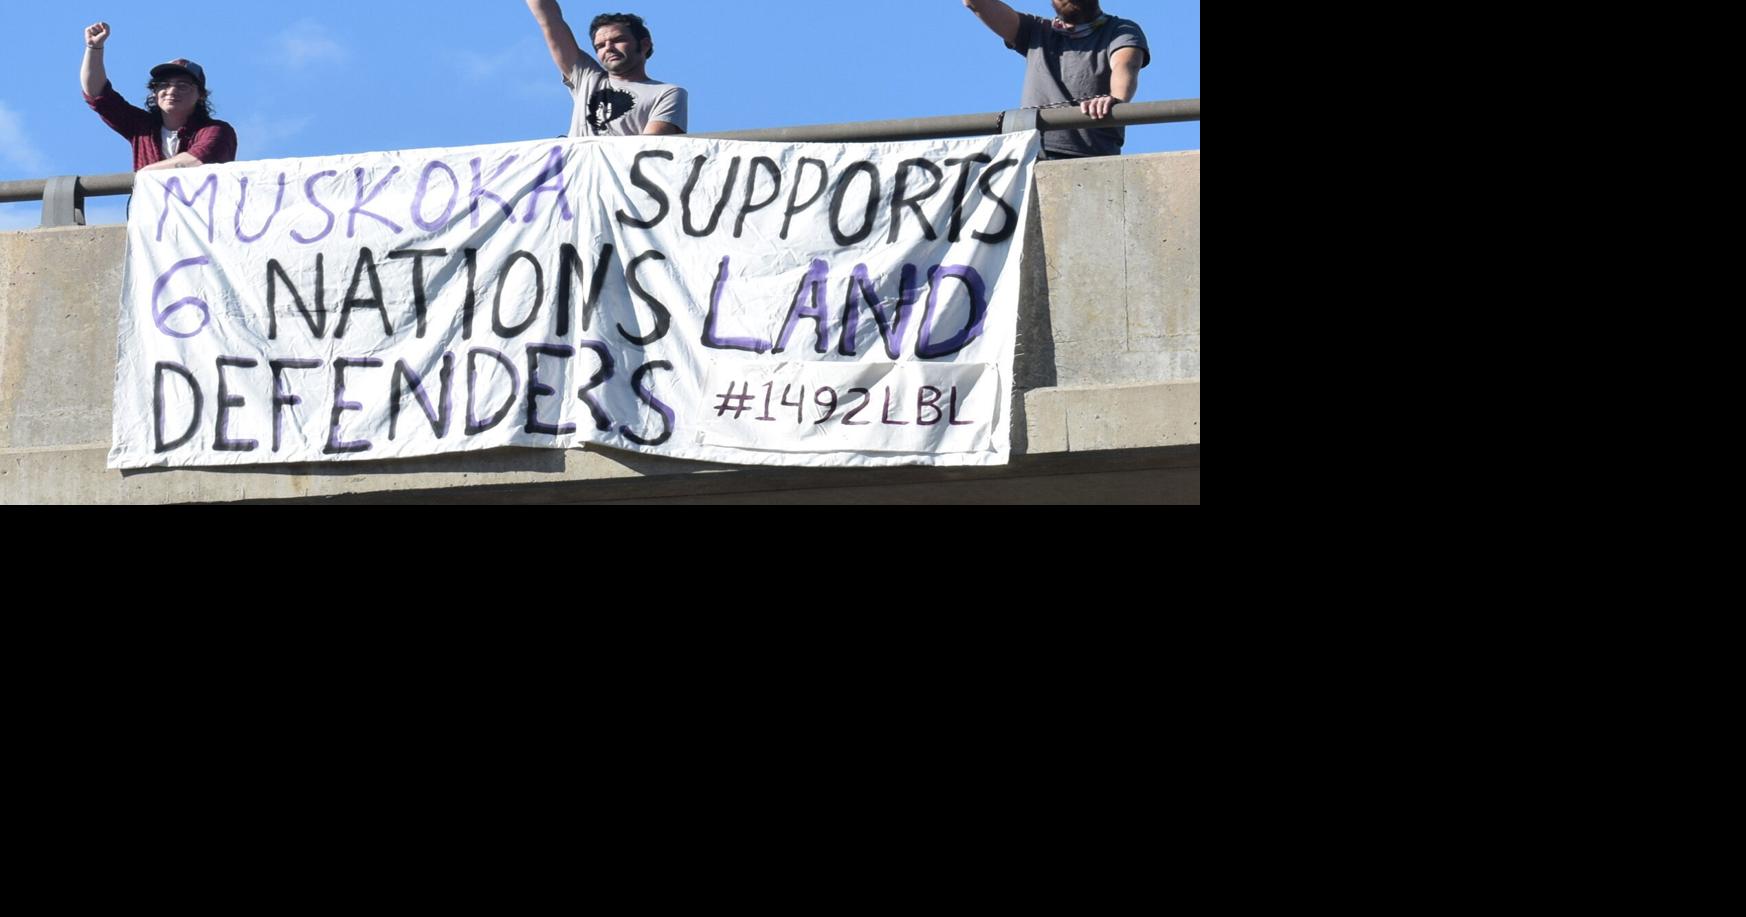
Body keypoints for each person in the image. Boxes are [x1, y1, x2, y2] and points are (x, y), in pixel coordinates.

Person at [963, 0, 1149, 160]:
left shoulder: (1120, 30)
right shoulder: (1036, 30)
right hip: (1029, 155)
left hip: (1089, 157)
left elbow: (1126, 65)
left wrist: (1115, 98)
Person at [79, 22, 237, 172]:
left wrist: (143, 175)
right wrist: (94, 48)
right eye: (163, 85)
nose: (171, 91)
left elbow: (199, 160)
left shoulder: (217, 130)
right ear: (154, 93)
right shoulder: (141, 127)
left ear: (201, 95)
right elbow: (98, 95)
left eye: (183, 86)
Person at [525, 2, 687, 137]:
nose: (608, 48)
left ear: (644, 45)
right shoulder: (587, 77)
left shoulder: (666, 93)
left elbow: (650, 150)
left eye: (618, 40)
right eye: (600, 46)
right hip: (579, 167)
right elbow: (549, 20)